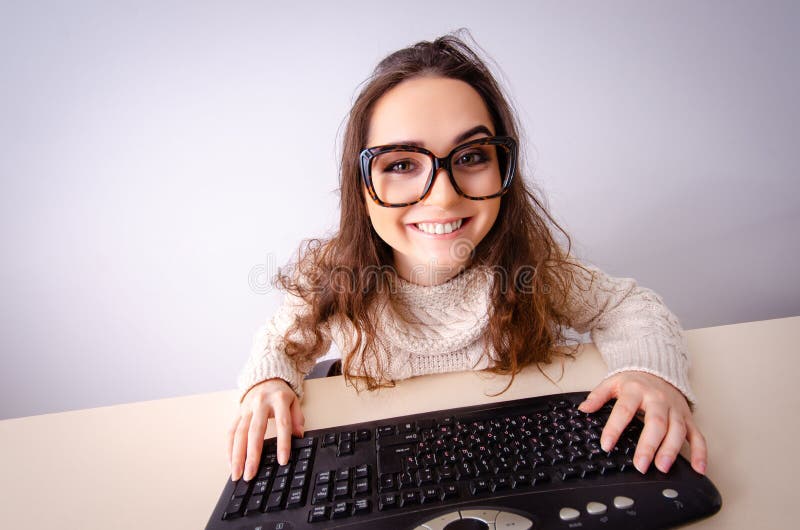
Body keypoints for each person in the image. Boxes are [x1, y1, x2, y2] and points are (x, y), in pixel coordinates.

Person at [227, 32, 707, 484]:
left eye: (472, 156)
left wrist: (647, 371)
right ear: (362, 185)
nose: (441, 197)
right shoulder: (334, 276)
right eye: (400, 164)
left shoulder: (527, 267)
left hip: (510, 462)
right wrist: (268, 383)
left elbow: (626, 305)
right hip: (391, 472)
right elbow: (280, 342)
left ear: (503, 165)